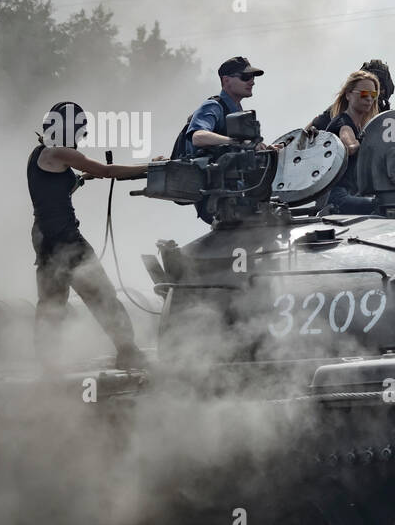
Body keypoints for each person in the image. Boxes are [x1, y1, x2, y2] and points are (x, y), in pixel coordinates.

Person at [28, 101, 157, 371]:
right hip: (66, 240)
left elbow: (52, 193)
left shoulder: (39, 154)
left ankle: (46, 364)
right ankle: (127, 351)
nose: (81, 137)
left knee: (52, 304)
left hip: (44, 238)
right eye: (79, 130)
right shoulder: (59, 152)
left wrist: (81, 179)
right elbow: (109, 171)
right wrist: (151, 167)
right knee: (102, 296)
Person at [316, 69, 382, 215]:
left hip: (350, 193)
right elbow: (349, 144)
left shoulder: (359, 127)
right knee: (383, 206)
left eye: (373, 95)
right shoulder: (343, 122)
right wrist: (360, 144)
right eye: (364, 94)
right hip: (336, 196)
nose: (369, 99)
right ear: (348, 95)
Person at [182, 55, 270, 158]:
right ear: (226, 80)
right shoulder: (214, 106)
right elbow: (198, 137)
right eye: (245, 77)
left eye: (252, 77)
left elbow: (246, 147)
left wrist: (265, 148)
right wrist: (237, 142)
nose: (252, 82)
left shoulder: (238, 112)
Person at [305, 58, 394, 133]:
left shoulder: (389, 121)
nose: (370, 96)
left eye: (379, 87)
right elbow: (311, 129)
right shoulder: (341, 111)